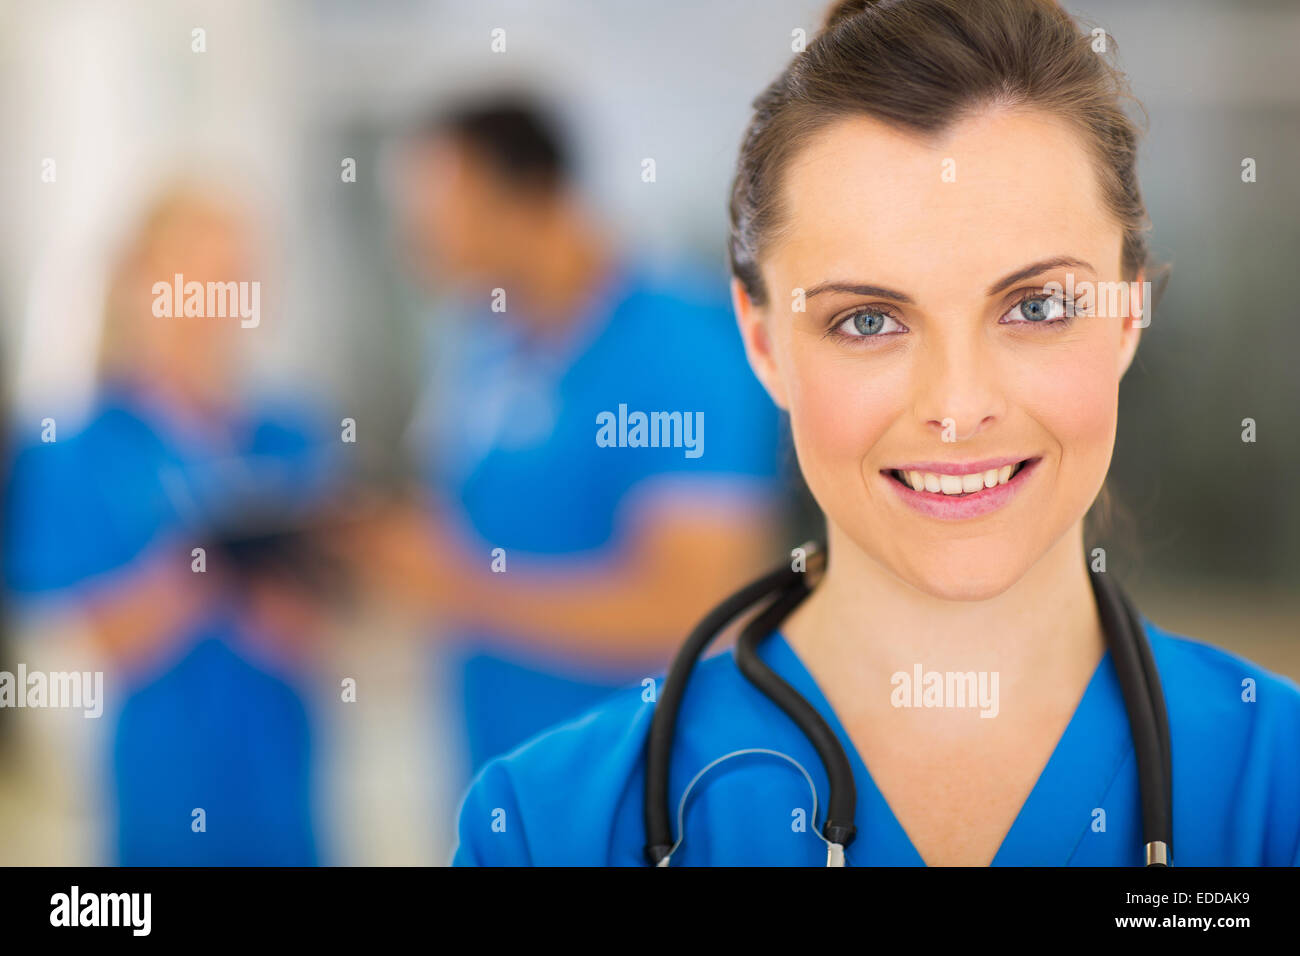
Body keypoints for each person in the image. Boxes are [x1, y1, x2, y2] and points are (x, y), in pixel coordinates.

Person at [450, 0, 1300, 866]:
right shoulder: (551, 829)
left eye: (1037, 306)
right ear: (763, 342)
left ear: (1129, 313)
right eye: (867, 321)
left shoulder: (1278, 780)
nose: (958, 406)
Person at [359, 97, 787, 780]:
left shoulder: (683, 346)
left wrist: (459, 588)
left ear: (525, 199)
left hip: (643, 796)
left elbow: (692, 605)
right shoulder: (478, 344)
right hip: (501, 786)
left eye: (439, 214)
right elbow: (465, 524)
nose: (418, 244)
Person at [4, 185, 337, 865]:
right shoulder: (77, 448)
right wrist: (210, 562)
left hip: (282, 782)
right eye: (192, 281)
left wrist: (285, 595)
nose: (210, 308)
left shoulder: (288, 433)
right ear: (137, 286)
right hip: (164, 784)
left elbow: (316, 628)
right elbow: (110, 636)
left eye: (231, 282)